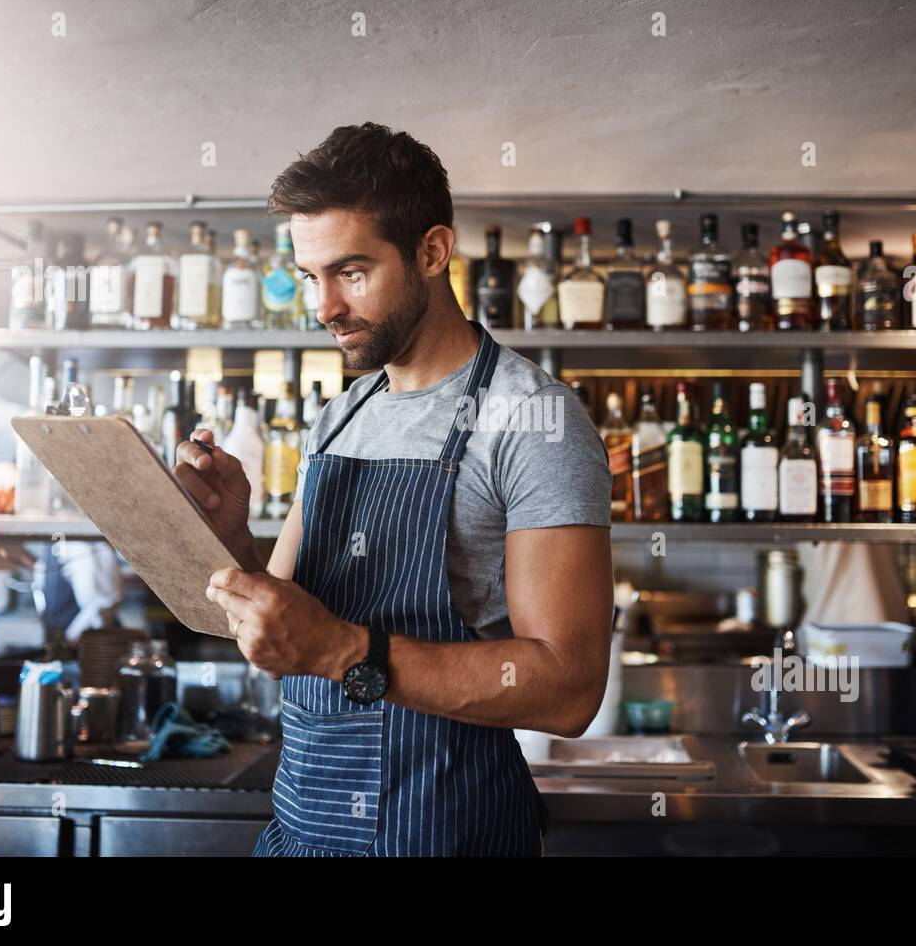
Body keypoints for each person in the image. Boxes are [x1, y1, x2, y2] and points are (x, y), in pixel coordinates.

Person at [174, 123, 614, 857]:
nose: (324, 308)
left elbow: (569, 690)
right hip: (304, 834)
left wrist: (349, 652)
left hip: (445, 834)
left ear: (432, 252)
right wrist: (230, 537)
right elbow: (281, 629)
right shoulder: (340, 416)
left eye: (351, 272)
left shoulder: (531, 420)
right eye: (311, 277)